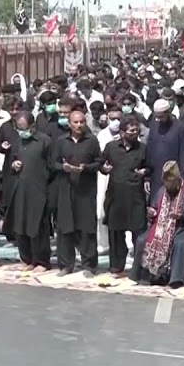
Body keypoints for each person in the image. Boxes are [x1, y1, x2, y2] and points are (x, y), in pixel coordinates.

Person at [50, 109, 104, 275]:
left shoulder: (92, 141)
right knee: (65, 227)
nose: (79, 125)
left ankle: (89, 265)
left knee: (86, 228)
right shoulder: (61, 141)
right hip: (66, 189)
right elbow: (53, 163)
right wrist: (63, 167)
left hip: (85, 190)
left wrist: (86, 168)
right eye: (75, 122)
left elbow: (99, 162)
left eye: (81, 122)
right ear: (69, 123)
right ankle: (66, 265)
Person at [101, 116, 153, 281]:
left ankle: (139, 269)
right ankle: (116, 266)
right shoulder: (111, 147)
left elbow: (150, 167)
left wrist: (145, 173)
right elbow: (101, 165)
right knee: (116, 234)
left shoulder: (143, 148)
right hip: (116, 196)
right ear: (122, 132)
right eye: (131, 130)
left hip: (135, 196)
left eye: (136, 130)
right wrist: (104, 168)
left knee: (138, 234)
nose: (134, 132)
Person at [5, 111, 55, 272]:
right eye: (18, 128)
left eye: (24, 127)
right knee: (20, 225)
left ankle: (41, 261)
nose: (21, 131)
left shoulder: (44, 141)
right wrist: (14, 165)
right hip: (20, 189)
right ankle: (27, 259)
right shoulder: (17, 141)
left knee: (38, 227)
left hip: (39, 190)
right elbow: (11, 162)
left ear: (32, 126)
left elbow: (52, 166)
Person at [143, 162, 184, 288]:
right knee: (142, 239)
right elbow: (154, 209)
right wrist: (151, 212)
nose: (167, 187)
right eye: (165, 184)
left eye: (170, 184)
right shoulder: (162, 191)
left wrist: (182, 216)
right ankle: (147, 276)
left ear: (177, 181)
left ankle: (176, 280)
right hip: (161, 226)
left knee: (179, 242)